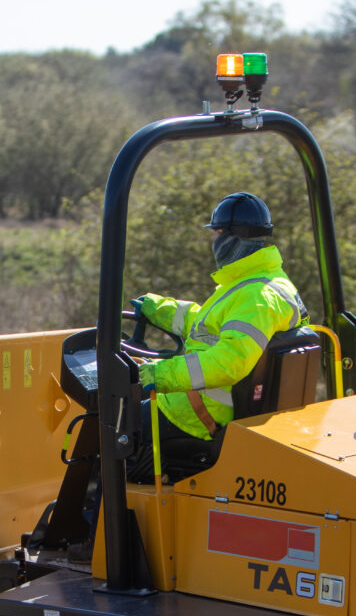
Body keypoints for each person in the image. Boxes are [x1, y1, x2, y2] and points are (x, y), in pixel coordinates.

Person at [124, 191, 306, 483]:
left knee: (109, 429)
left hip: (201, 417)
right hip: (204, 406)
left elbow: (230, 361)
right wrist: (158, 308)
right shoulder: (256, 283)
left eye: (217, 233)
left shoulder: (256, 297)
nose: (214, 242)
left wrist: (161, 374)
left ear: (233, 237)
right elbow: (205, 326)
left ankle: (99, 516)